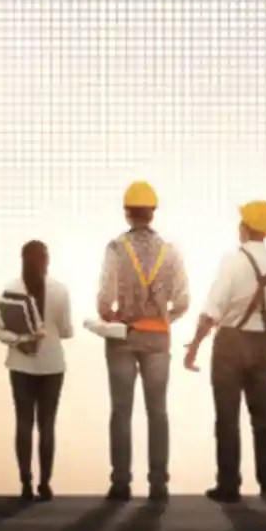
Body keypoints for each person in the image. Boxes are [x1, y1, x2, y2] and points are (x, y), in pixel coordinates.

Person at [184, 200, 266, 503]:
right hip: (261, 345)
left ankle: (229, 485)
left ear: (245, 227)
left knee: (227, 417)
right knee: (263, 418)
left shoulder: (232, 261)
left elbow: (211, 310)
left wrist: (193, 346)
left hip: (229, 344)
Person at [96, 180, 190, 502]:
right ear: (152, 213)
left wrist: (110, 316)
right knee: (157, 411)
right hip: (158, 340)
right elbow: (183, 301)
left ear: (127, 213)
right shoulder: (171, 252)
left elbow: (105, 300)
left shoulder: (115, 248)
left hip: (123, 337)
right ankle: (158, 485)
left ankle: (120, 484)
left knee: (121, 411)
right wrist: (165, 320)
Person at [0, 240, 73, 502]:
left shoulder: (10, 290)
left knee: (23, 423)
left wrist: (20, 339)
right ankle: (45, 484)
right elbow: (66, 331)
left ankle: (25, 484)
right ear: (46, 261)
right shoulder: (60, 291)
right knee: (47, 425)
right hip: (51, 366)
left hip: (20, 366)